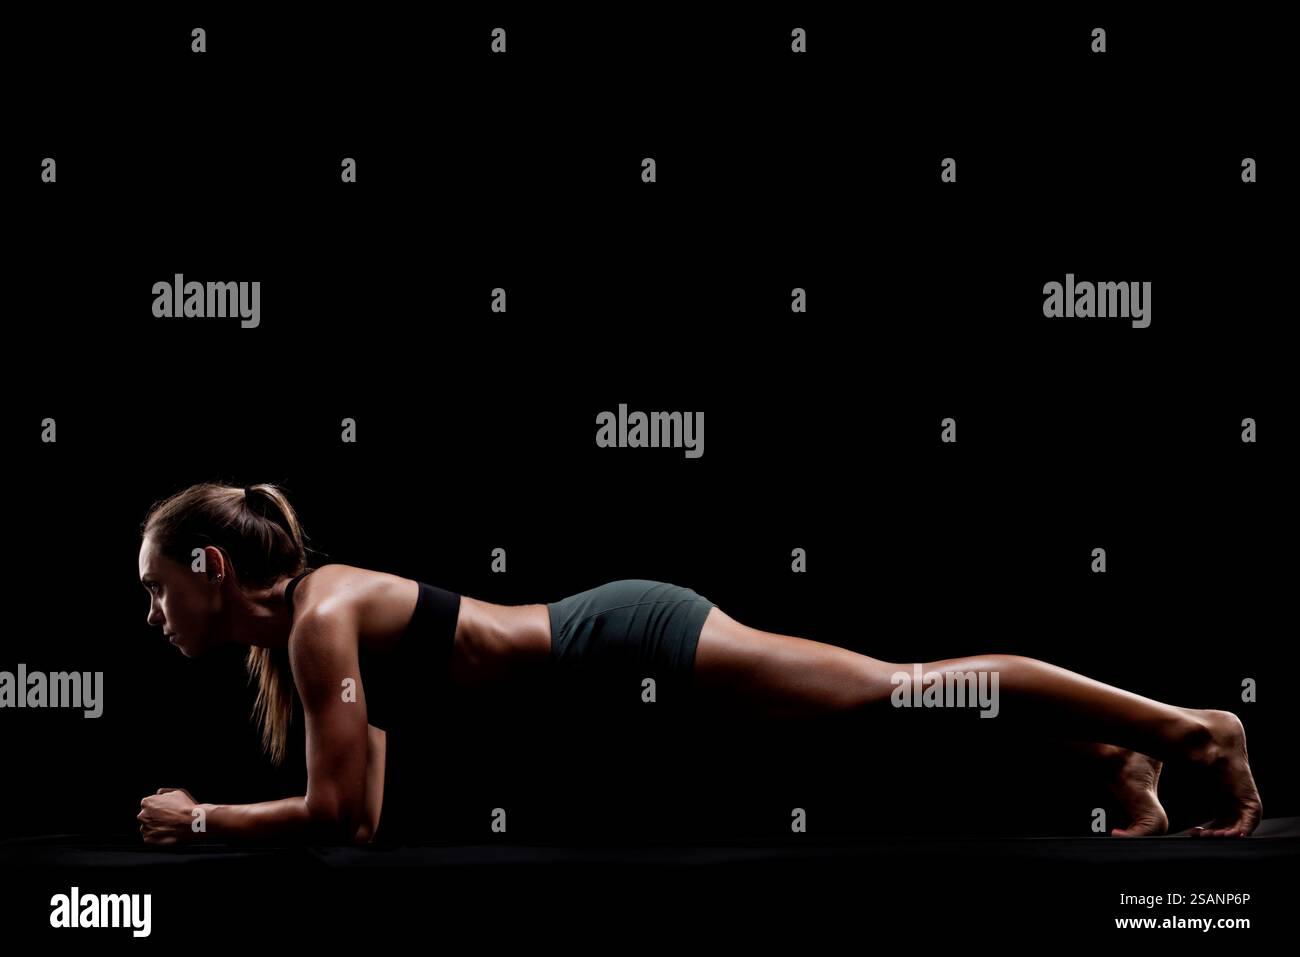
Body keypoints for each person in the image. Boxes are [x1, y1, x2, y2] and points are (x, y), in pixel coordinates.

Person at [135, 482, 1263, 845]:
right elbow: (363, 812)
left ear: (209, 565)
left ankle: (1191, 730)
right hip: (619, 668)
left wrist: (200, 821)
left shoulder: (322, 614)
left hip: (630, 642)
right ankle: (1113, 763)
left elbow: (331, 811)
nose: (153, 613)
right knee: (896, 713)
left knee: (898, 688)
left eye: (155, 588)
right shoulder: (314, 634)